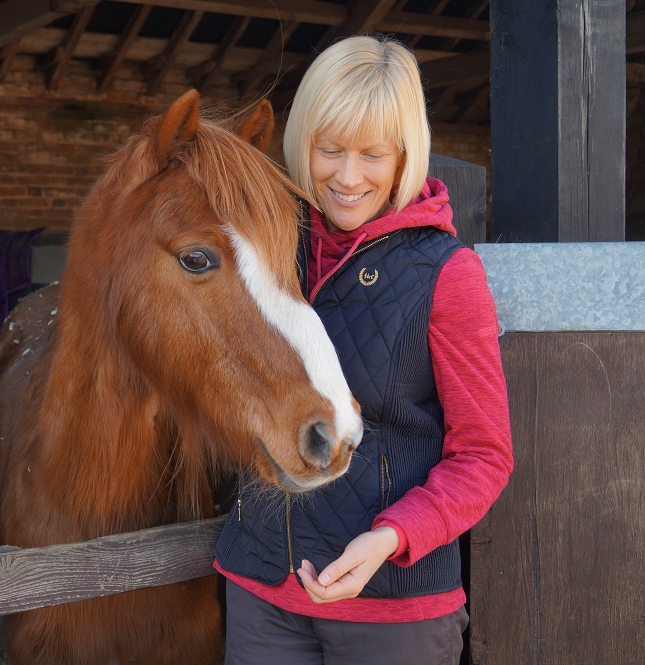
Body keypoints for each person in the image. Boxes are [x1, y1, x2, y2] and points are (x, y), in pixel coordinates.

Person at [213, 35, 514, 664]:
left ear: (404, 155)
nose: (348, 178)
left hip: (391, 610)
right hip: (261, 591)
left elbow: (484, 455)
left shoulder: (445, 272)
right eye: (330, 150)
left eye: (371, 155)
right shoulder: (267, 249)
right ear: (302, 144)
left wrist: (392, 537)